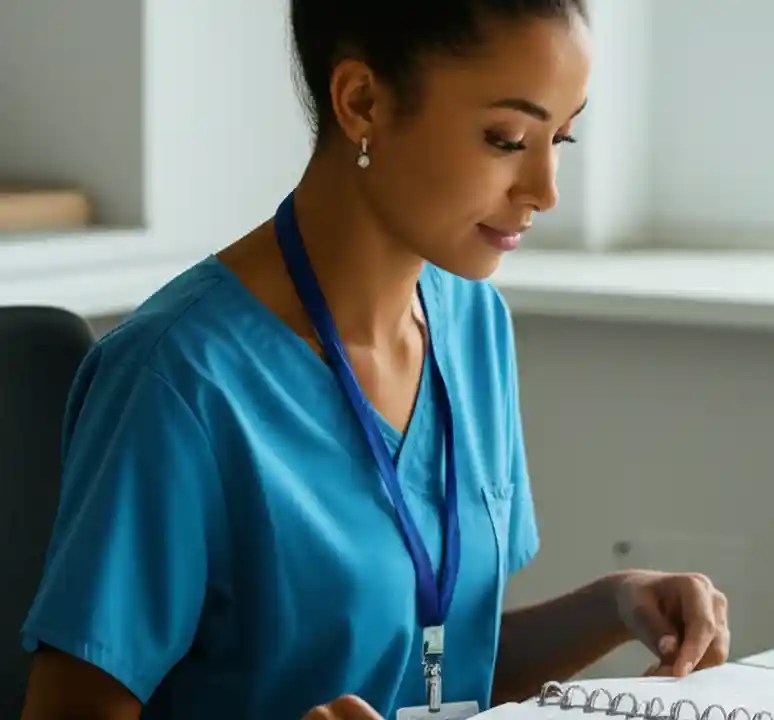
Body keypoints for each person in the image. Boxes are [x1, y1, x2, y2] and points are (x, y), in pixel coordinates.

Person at [17, 2, 731, 718]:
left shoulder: (475, 327)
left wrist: (612, 605)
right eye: (506, 139)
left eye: (562, 138)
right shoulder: (176, 380)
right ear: (362, 102)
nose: (544, 190)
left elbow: (434, 666)